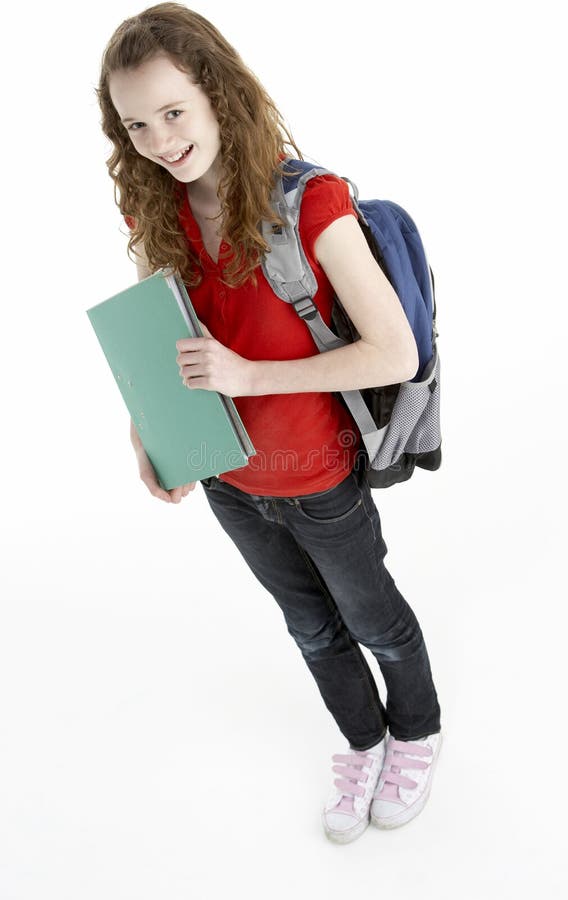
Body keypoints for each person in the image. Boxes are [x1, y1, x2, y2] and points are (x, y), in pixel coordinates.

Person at [97, 1, 442, 844]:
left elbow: (394, 353)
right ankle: (362, 742)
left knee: (372, 619)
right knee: (310, 627)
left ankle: (418, 733)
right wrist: (148, 428)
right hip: (229, 478)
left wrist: (254, 374)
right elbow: (164, 333)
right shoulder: (156, 209)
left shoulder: (310, 203)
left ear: (217, 92)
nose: (160, 140)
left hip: (320, 476)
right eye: (136, 123)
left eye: (174, 112)